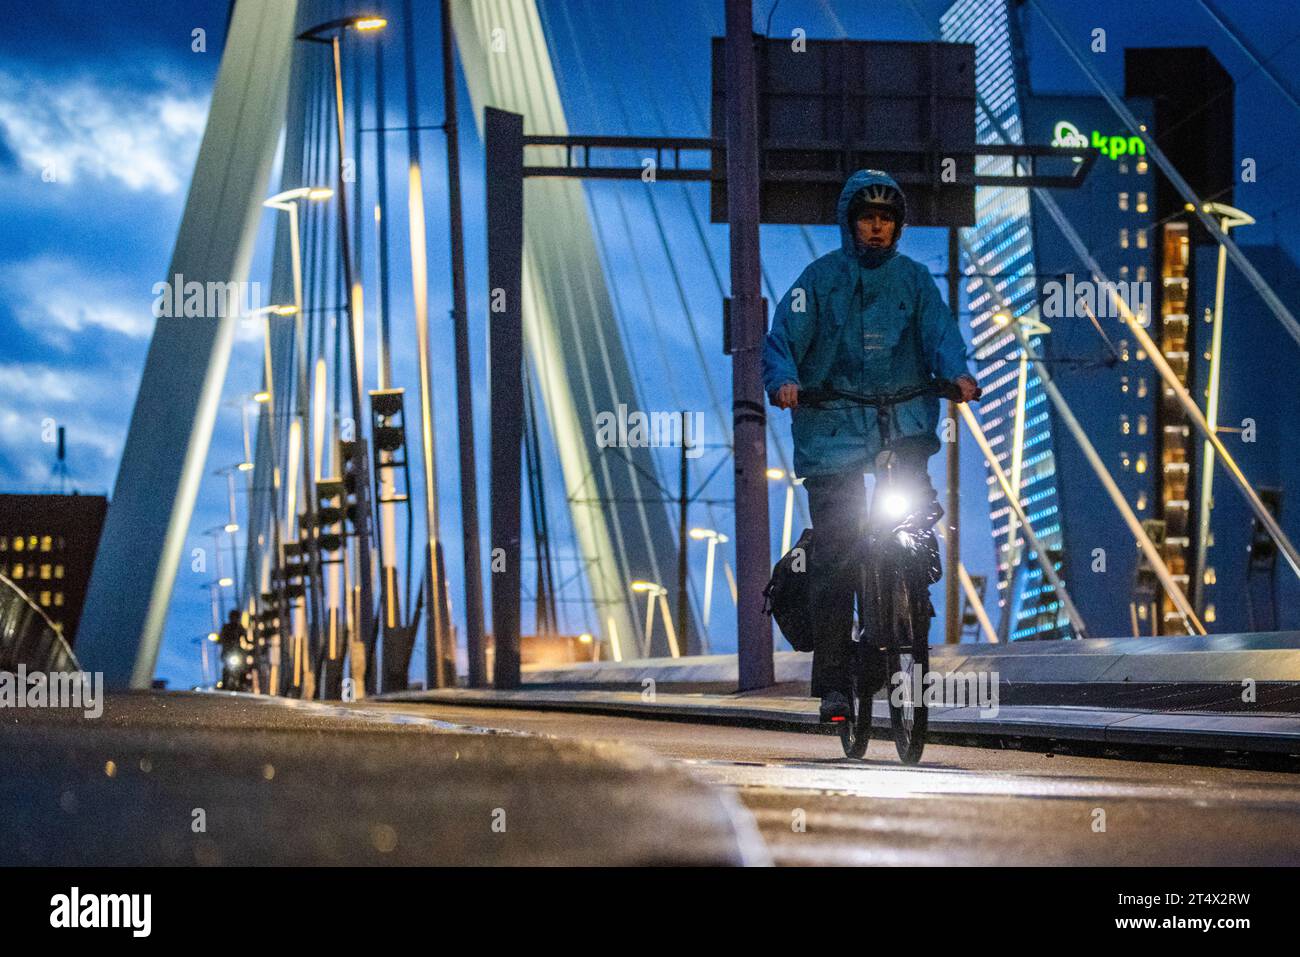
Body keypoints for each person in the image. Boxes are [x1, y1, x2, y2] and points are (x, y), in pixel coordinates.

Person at [762, 169, 979, 722]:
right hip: (831, 430)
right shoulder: (820, 279)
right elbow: (783, 335)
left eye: (886, 218)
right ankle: (834, 684)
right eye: (867, 217)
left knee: (915, 520)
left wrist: (958, 375)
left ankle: (909, 605)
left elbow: (940, 333)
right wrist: (784, 380)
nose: (877, 227)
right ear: (850, 223)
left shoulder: (914, 281)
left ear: (898, 227)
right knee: (836, 551)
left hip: (899, 425)